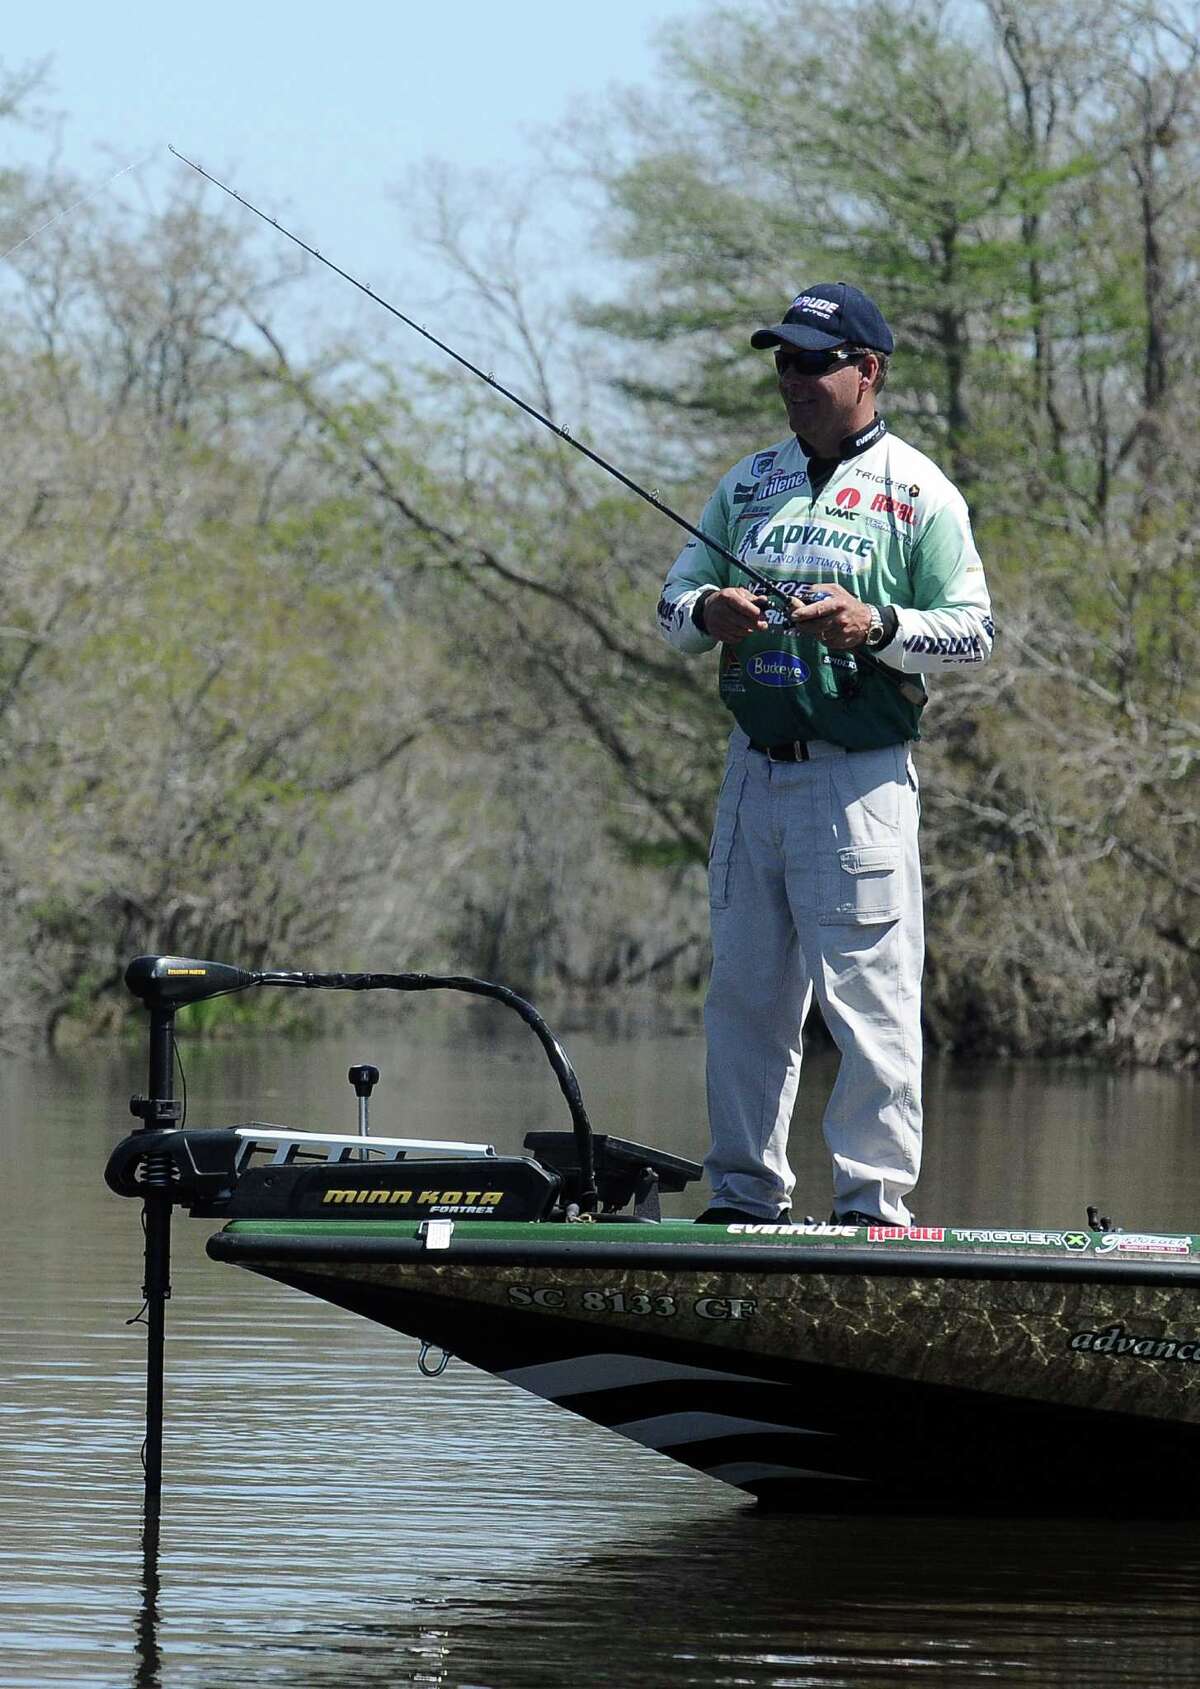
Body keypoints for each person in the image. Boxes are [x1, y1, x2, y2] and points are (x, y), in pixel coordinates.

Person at [657, 282, 993, 1227]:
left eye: (812, 361)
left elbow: (974, 632)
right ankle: (743, 1198)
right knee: (744, 999)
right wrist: (709, 610)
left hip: (859, 778)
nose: (793, 379)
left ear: (867, 370)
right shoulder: (747, 484)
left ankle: (871, 1208)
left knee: (870, 998)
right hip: (752, 772)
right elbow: (670, 607)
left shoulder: (919, 492)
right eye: (783, 362)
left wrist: (876, 624)